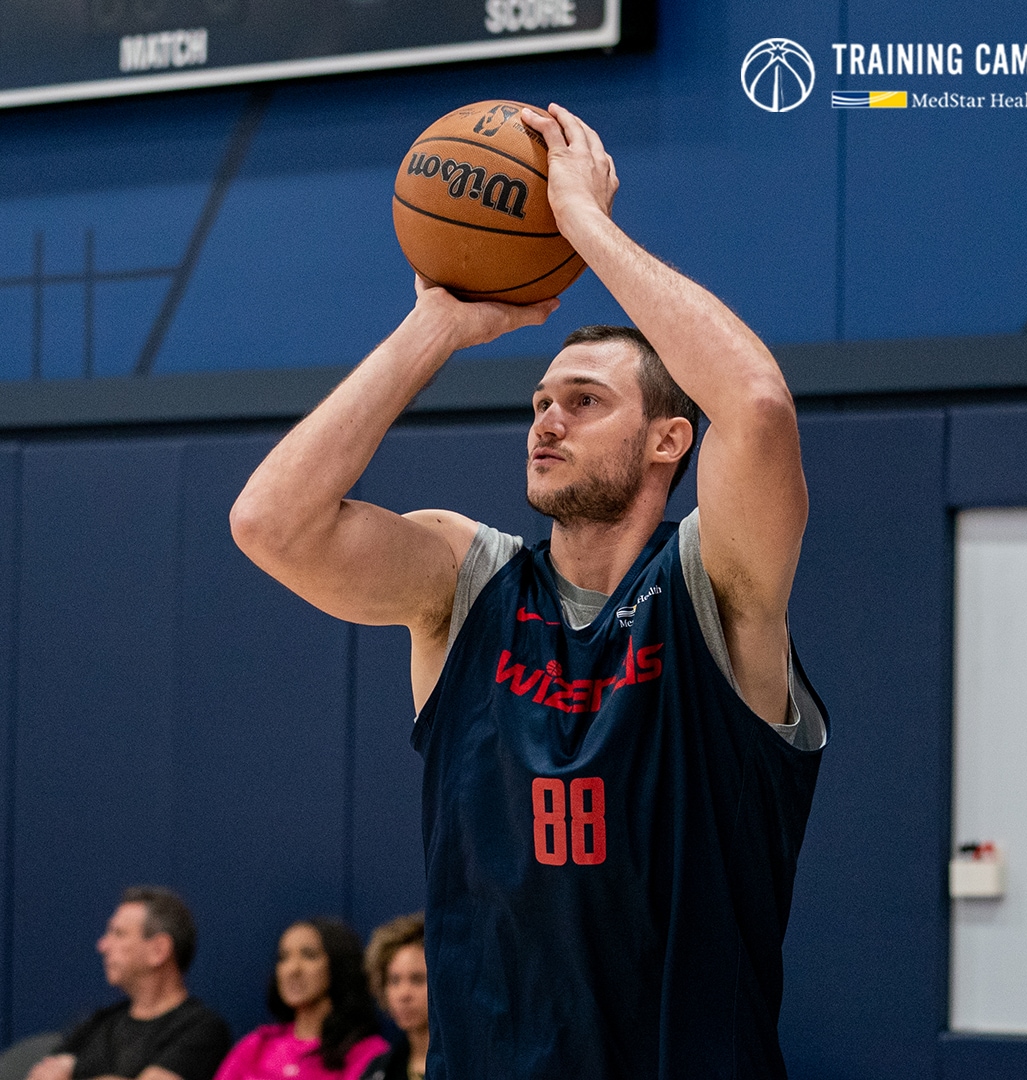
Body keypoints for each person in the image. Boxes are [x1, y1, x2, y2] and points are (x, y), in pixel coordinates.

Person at [230, 102, 828, 1079]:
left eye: (584, 402)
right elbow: (270, 524)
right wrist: (432, 327)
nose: (546, 421)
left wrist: (582, 225)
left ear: (669, 439)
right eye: (540, 402)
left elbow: (756, 405)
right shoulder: (464, 585)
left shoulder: (718, 588)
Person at [28, 887, 231, 1080]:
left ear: (158, 950)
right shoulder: (99, 1022)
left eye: (119, 934)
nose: (102, 946)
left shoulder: (201, 1029)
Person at [212, 919, 388, 1080]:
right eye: (284, 957)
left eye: (309, 955)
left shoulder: (368, 1053)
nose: (293, 969)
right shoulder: (256, 1045)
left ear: (338, 965)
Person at [359, 915, 427, 1080]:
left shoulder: (472, 1066)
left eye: (418, 979)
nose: (404, 994)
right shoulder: (379, 1069)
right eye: (394, 981)